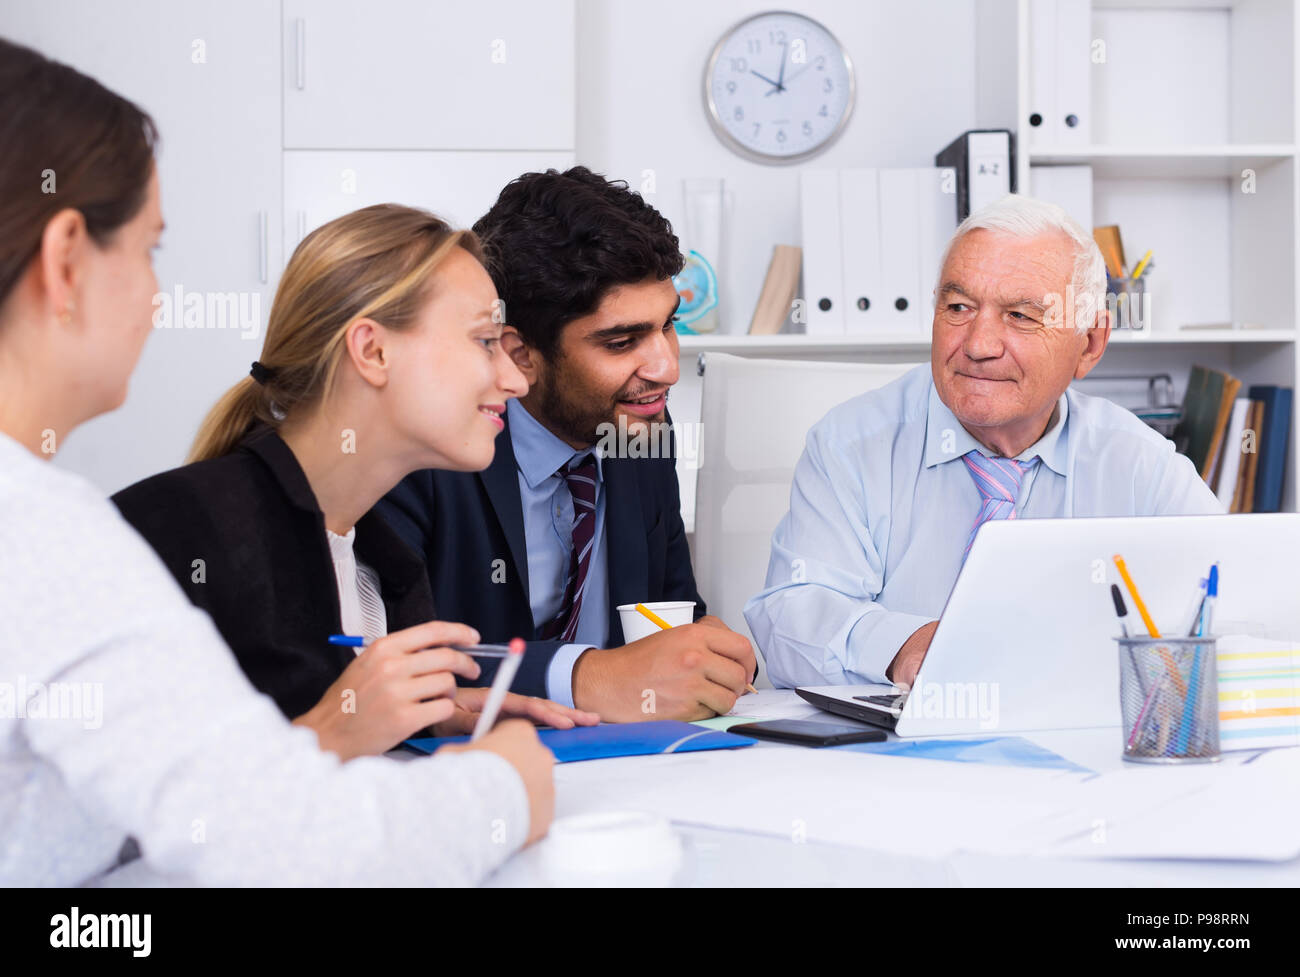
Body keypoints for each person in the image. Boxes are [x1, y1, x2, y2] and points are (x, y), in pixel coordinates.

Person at [0, 37, 552, 886]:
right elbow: (284, 842)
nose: (156, 295)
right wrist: (507, 783)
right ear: (67, 259)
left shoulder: (385, 554)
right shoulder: (56, 534)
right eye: (148, 252)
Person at [113, 204, 598, 760]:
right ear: (372, 350)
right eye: (485, 342)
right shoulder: (170, 531)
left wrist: (419, 727)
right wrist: (328, 736)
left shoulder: (383, 562)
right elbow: (109, 805)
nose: (514, 380)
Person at [745, 193, 1223, 690]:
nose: (977, 345)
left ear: (1090, 343)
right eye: (958, 307)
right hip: (894, 754)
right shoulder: (850, 444)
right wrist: (903, 649)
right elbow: (790, 615)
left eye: (1020, 315)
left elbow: (1228, 603)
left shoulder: (1137, 462)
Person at [378, 167, 755, 722]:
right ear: (519, 353)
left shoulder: (640, 426)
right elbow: (380, 659)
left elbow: (666, 612)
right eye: (622, 341)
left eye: (669, 326)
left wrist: (701, 651)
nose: (668, 368)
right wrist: (585, 676)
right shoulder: (425, 444)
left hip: (626, 764)